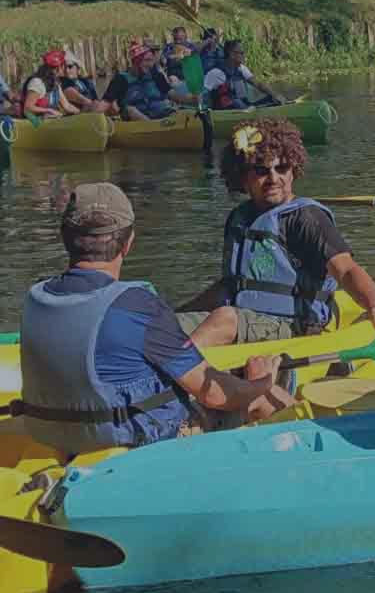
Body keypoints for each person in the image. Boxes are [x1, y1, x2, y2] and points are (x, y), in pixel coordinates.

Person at [16, 184, 292, 458]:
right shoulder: (136, 305)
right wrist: (262, 382)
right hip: (139, 445)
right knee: (262, 398)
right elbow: (215, 394)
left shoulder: (36, 297)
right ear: (128, 243)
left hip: (54, 435)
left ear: (64, 237)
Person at [176, 119, 375, 345]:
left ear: (293, 172)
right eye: (261, 170)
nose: (273, 179)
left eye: (281, 168)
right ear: (243, 176)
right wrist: (177, 315)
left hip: (293, 326)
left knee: (225, 318)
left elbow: (346, 269)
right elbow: (229, 286)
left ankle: (178, 362)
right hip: (242, 318)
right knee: (169, 324)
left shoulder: (306, 218)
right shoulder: (239, 218)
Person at [102, 41, 181, 120]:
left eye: (151, 61)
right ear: (136, 61)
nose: (150, 65)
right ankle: (152, 126)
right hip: (139, 119)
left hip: (162, 114)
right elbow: (105, 104)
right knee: (130, 110)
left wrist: (188, 99)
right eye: (147, 60)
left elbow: (173, 95)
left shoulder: (156, 76)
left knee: (172, 109)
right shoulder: (120, 79)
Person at [201, 41, 280, 110]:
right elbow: (202, 94)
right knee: (236, 103)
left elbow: (258, 84)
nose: (244, 55)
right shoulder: (216, 73)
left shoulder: (242, 69)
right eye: (241, 53)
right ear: (232, 54)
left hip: (245, 107)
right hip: (226, 111)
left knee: (272, 99)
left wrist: (275, 95)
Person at [21, 50, 71, 119]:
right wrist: (48, 110)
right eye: (65, 66)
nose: (66, 69)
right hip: (33, 121)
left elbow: (67, 106)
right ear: (58, 68)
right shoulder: (37, 83)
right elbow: (27, 108)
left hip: (48, 119)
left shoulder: (55, 83)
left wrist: (81, 112)